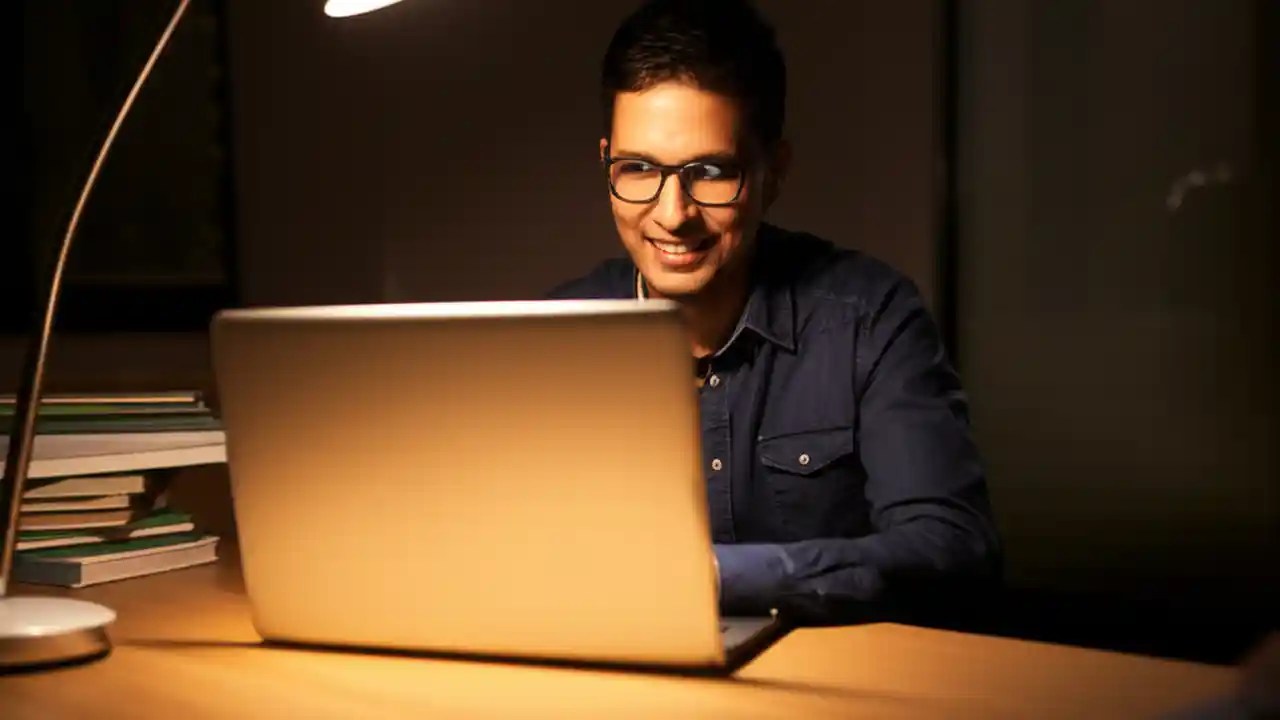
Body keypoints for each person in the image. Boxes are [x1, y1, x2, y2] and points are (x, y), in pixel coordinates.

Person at [550, 0, 1000, 623]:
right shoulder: (553, 336)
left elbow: (953, 547)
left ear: (774, 172)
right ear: (607, 162)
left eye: (711, 173)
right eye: (638, 170)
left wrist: (713, 578)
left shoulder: (869, 318)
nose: (673, 213)